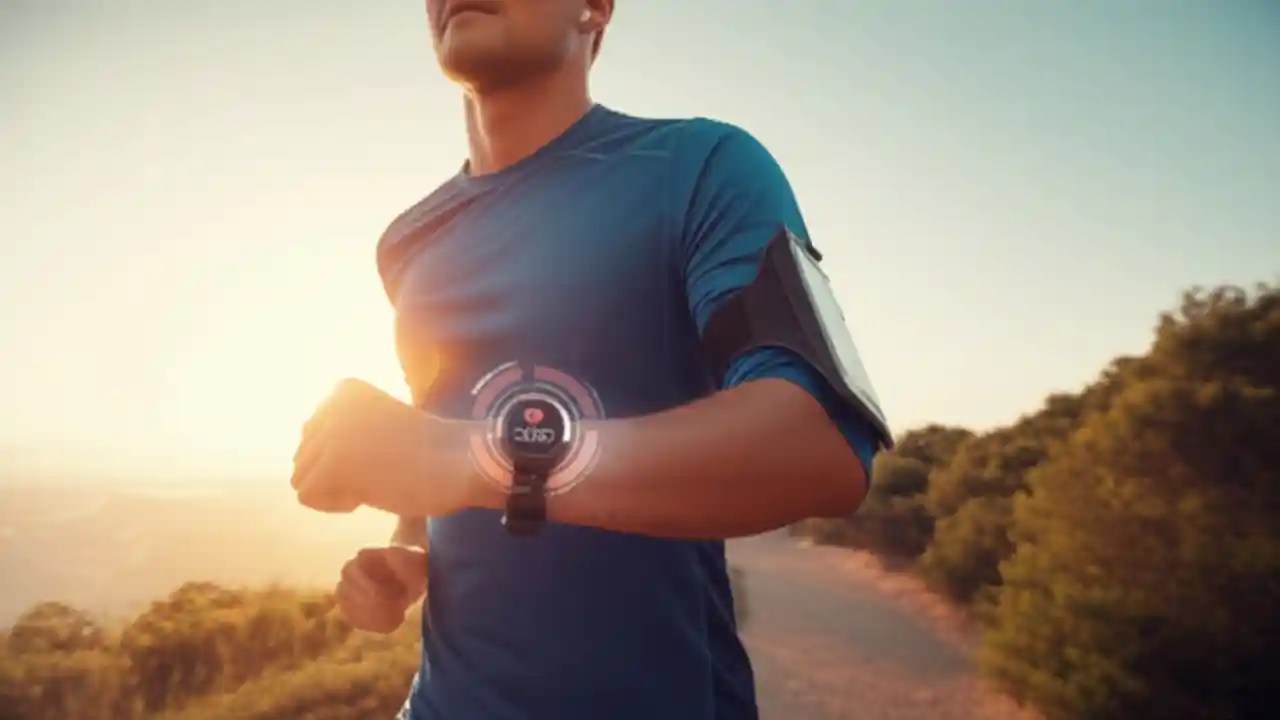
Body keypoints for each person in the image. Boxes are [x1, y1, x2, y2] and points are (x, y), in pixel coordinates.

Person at [290, 1, 889, 718]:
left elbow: (820, 443)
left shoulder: (703, 167)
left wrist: (477, 461)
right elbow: (442, 431)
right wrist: (408, 554)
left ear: (595, 7)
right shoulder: (407, 242)